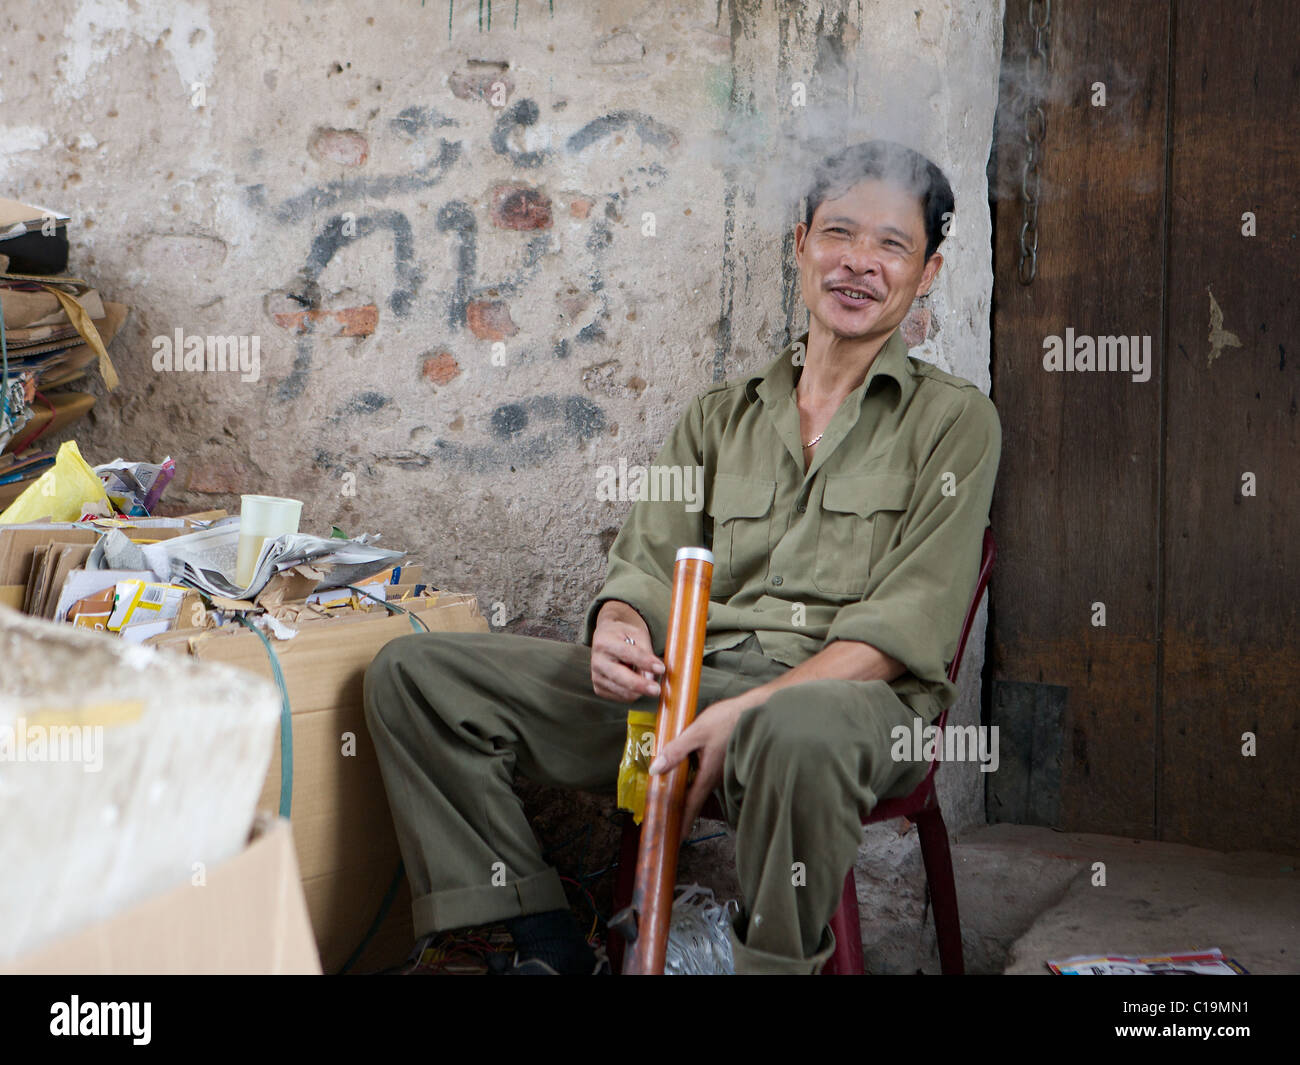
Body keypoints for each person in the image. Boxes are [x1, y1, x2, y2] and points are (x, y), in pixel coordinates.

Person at [363, 139, 1001, 974]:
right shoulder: (716, 417)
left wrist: (757, 708)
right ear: (800, 243)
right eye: (839, 233)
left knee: (793, 729)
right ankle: (530, 942)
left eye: (892, 245)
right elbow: (646, 568)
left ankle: (775, 965)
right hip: (685, 698)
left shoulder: (956, 422)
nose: (859, 263)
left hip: (847, 711)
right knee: (413, 676)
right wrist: (620, 629)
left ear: (930, 272)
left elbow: (902, 627)